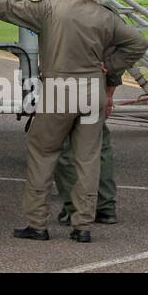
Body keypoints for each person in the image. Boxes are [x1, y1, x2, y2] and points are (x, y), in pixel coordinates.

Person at [0, 0, 148, 243]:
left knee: (43, 152)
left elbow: (6, 6)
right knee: (88, 158)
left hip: (60, 90)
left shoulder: (51, 8)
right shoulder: (106, 16)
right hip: (93, 91)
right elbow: (138, 43)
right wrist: (108, 65)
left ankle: (37, 223)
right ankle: (83, 226)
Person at [54, 67, 118, 226]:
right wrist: (109, 90)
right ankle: (105, 207)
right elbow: (131, 46)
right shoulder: (101, 41)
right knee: (100, 145)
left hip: (66, 86)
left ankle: (74, 208)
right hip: (95, 86)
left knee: (64, 147)